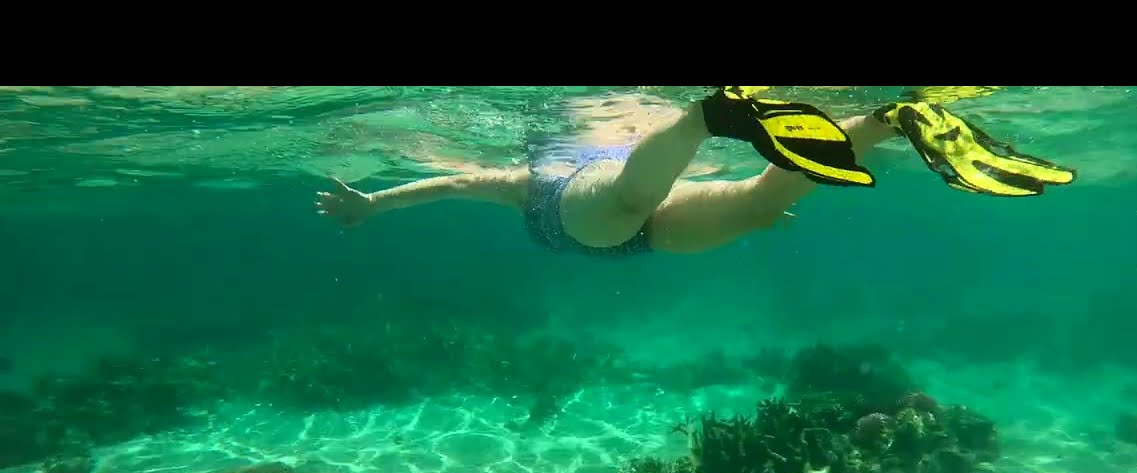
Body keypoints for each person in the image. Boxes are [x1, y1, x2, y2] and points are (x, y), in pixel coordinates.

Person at [315, 87, 1076, 257]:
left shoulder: (534, 180)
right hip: (649, 212)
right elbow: (450, 183)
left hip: (595, 212)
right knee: (752, 203)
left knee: (622, 202)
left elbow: (450, 183)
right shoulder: (558, 166)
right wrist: (377, 203)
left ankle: (709, 114)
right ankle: (890, 120)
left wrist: (373, 205)